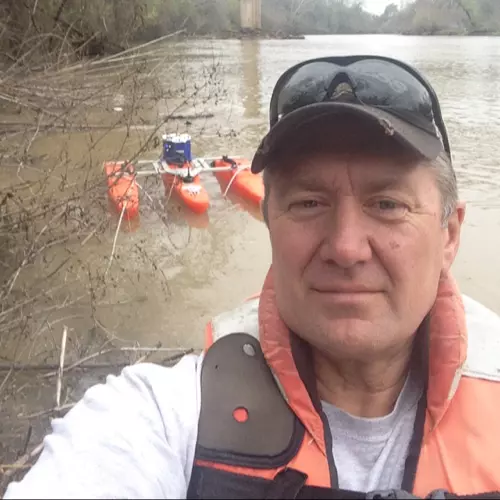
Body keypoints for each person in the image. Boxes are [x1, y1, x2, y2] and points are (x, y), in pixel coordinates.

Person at [4, 55, 500, 500]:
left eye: (387, 205)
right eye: (308, 203)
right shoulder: (163, 418)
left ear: (450, 235)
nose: (346, 248)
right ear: (268, 223)